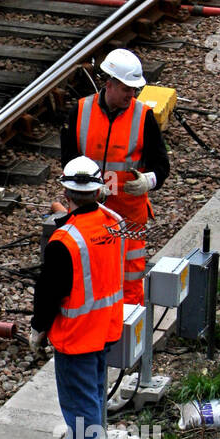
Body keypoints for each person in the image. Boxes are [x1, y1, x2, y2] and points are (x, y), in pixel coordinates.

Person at [29, 157, 125, 439]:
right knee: (95, 393)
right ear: (98, 188)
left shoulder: (64, 241)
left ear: (66, 190)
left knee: (79, 401)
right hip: (107, 326)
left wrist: (38, 329)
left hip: (77, 334)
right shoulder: (113, 220)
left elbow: (49, 292)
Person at [61, 48, 169, 305]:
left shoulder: (143, 117)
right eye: (126, 89)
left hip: (130, 218)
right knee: (90, 277)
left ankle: (129, 336)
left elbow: (162, 167)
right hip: (89, 214)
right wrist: (88, 189)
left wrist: (147, 181)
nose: (131, 95)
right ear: (109, 84)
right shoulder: (79, 112)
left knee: (130, 280)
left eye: (134, 90)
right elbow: (68, 163)